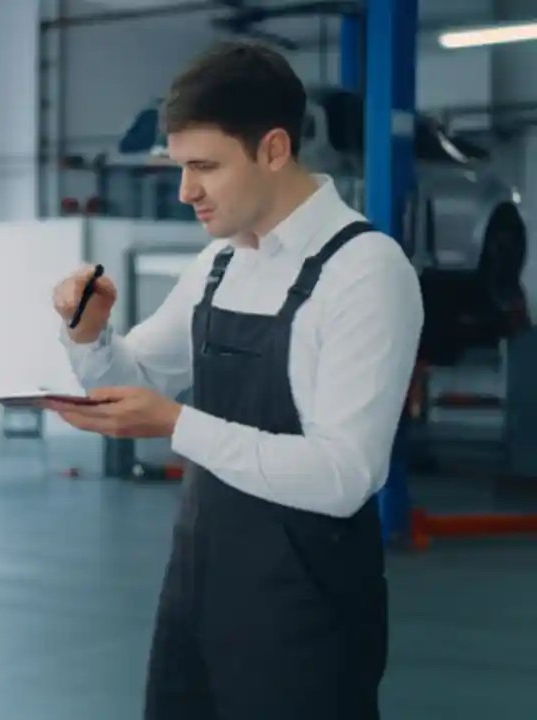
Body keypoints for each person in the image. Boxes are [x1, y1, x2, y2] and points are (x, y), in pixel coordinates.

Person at [49, 41, 423, 719]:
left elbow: (345, 475)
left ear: (274, 149)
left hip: (305, 617)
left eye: (205, 167)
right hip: (197, 594)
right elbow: (133, 376)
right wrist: (88, 331)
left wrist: (176, 424)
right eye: (180, 167)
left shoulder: (366, 272)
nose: (185, 191)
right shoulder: (220, 263)